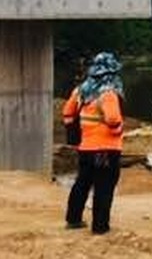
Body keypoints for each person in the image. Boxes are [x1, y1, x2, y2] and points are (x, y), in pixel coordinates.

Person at [63, 52, 125, 235]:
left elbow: (67, 112)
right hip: (106, 149)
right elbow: (113, 118)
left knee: (82, 183)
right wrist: (118, 130)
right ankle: (100, 226)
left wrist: (78, 134)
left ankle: (73, 219)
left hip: (86, 148)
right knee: (104, 187)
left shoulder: (81, 90)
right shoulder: (108, 93)